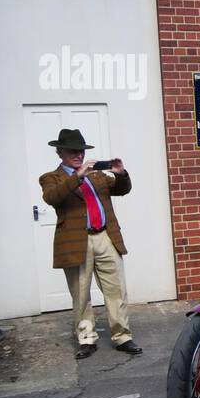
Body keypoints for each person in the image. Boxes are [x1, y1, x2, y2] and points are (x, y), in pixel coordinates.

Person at [39, 129, 141, 360]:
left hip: (106, 236)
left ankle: (122, 336)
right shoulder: (51, 178)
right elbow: (52, 197)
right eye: (72, 150)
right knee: (81, 293)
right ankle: (86, 338)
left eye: (81, 150)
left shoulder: (98, 175)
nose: (78, 154)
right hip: (77, 242)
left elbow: (122, 189)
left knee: (116, 290)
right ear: (59, 152)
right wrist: (78, 176)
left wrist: (121, 173)